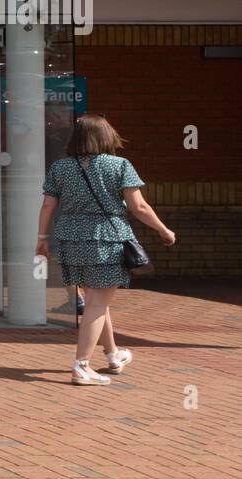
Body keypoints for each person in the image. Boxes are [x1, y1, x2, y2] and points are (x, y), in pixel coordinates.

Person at [36, 114, 175, 386]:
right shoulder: (119, 165)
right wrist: (163, 230)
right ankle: (81, 366)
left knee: (95, 299)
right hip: (106, 240)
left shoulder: (60, 168)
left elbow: (48, 206)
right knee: (98, 302)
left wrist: (42, 237)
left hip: (70, 240)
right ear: (105, 137)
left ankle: (112, 355)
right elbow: (139, 207)